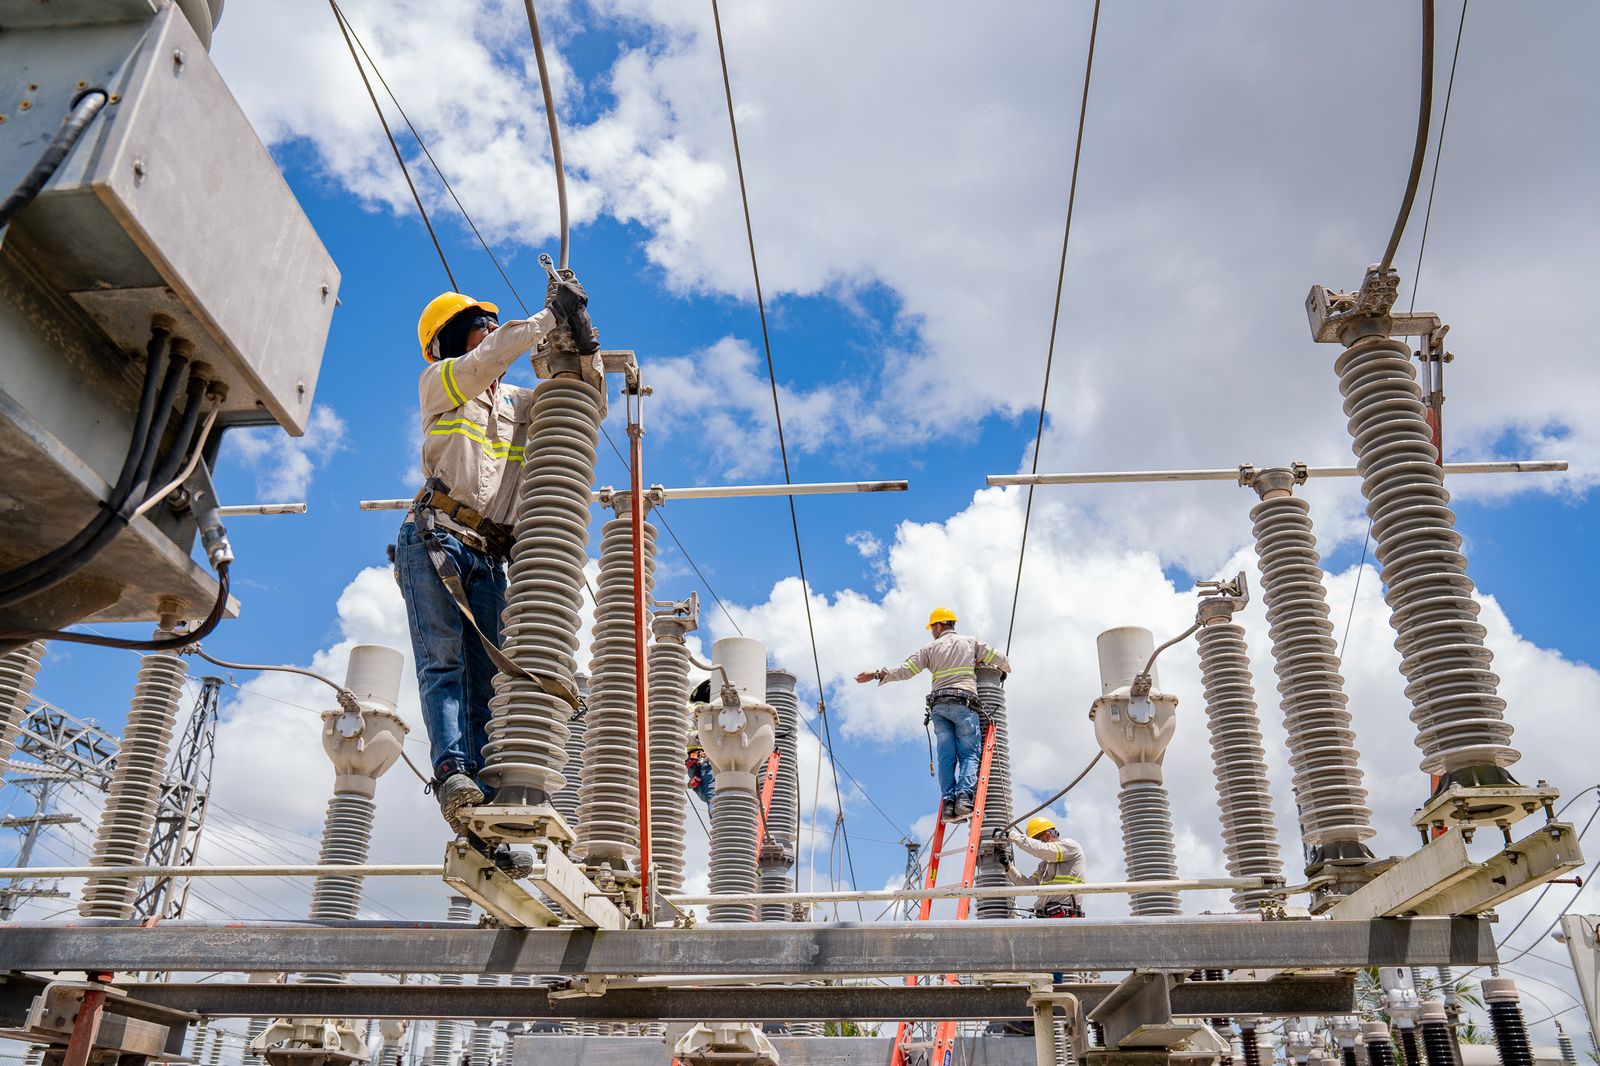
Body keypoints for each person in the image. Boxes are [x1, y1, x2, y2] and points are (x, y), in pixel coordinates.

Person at [395, 280, 589, 831]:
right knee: (444, 663)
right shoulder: (441, 382)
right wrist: (547, 319)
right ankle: (454, 772)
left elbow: (569, 403)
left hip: (488, 553)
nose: (491, 337)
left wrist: (579, 353)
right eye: (481, 326)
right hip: (437, 537)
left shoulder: (515, 406)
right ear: (457, 337)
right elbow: (494, 353)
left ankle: (483, 784)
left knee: (491, 676)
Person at [854, 607, 1011, 821]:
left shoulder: (929, 649)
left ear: (939, 626)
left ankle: (948, 804)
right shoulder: (971, 643)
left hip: (938, 708)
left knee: (946, 757)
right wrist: (998, 668)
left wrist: (876, 674)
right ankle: (964, 798)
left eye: (932, 629)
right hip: (963, 705)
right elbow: (1000, 658)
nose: (932, 633)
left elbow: (905, 670)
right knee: (969, 754)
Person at [1003, 816, 1086, 918]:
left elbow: (1042, 849)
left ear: (1047, 836)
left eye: (1035, 841)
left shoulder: (1071, 847)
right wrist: (1008, 867)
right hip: (1045, 919)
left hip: (1065, 918)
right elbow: (1029, 886)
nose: (1033, 845)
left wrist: (1014, 836)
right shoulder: (1044, 865)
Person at [686, 736, 716, 815]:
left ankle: (718, 823)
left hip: (699, 761)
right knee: (711, 796)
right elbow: (685, 736)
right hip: (697, 761)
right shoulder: (693, 724)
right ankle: (718, 823)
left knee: (710, 796)